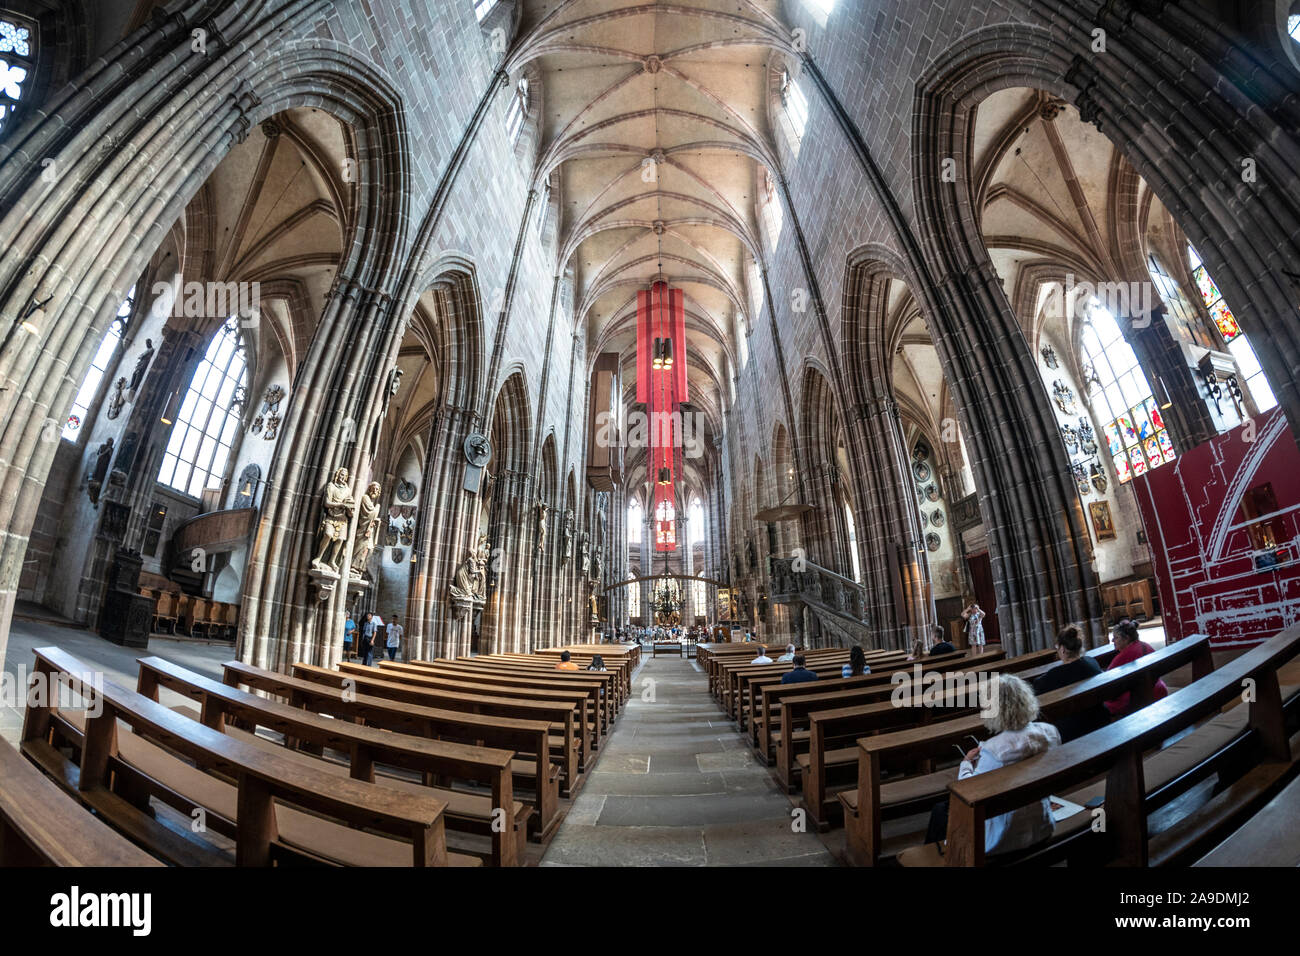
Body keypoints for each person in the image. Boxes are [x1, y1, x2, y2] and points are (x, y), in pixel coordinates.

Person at [924, 673, 1060, 854]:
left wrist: (966, 764)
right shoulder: (1050, 733)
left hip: (1003, 838)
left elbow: (968, 791)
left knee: (941, 810)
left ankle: (939, 857)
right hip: (1042, 824)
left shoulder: (994, 751)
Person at [1032, 625, 1108, 742]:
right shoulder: (1092, 662)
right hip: (1100, 719)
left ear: (1062, 649)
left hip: (1072, 731)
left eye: (1057, 647)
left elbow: (1035, 689)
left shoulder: (1054, 675)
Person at [1104, 619, 1167, 717]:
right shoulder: (1145, 645)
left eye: (1116, 637)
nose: (1112, 641)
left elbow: (1106, 682)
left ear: (1126, 638)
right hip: (1157, 688)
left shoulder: (1124, 655)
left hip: (1139, 698)